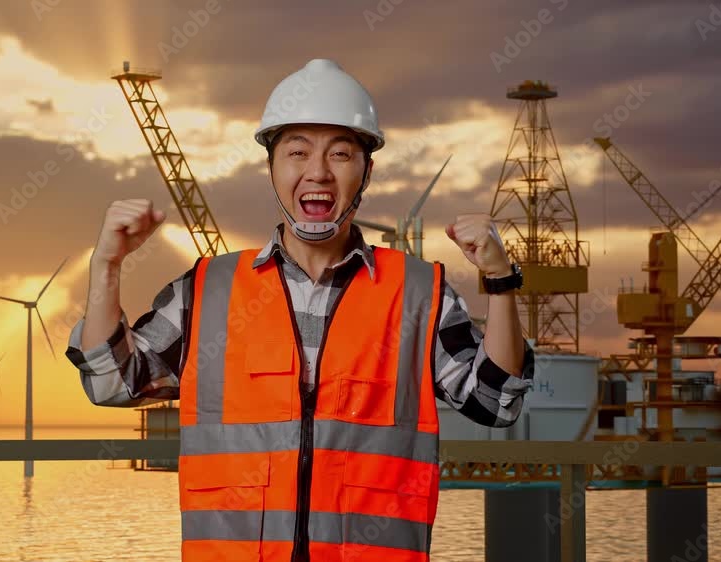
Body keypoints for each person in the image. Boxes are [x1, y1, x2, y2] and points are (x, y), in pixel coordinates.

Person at [65, 58, 534, 562]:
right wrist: (106, 265)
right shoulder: (207, 291)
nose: (318, 172)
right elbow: (111, 383)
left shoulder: (419, 292)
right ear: (271, 168)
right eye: (297, 152)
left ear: (366, 171)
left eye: (340, 154)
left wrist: (501, 282)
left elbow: (497, 403)